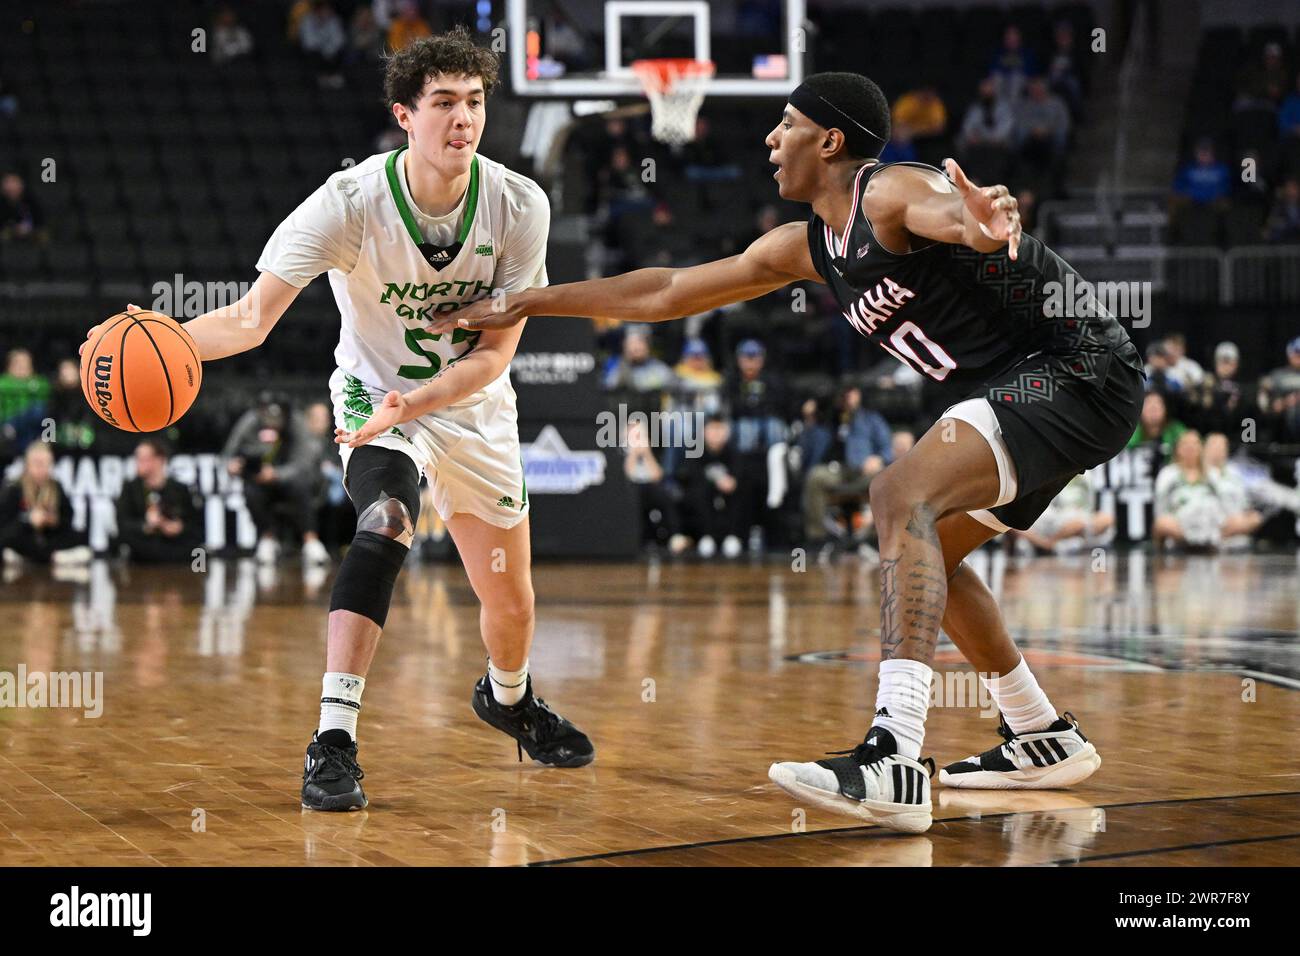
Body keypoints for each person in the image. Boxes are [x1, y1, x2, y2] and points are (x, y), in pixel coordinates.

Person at [440, 71, 1145, 831]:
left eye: (786, 124)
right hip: (1042, 389)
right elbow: (667, 292)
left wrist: (981, 219)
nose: (771, 141)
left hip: (1078, 368)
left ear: (830, 140)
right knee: (930, 547)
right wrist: (526, 300)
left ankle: (894, 755)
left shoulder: (888, 192)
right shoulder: (805, 248)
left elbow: (953, 214)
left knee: (895, 496)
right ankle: (1040, 731)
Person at [82, 28, 593, 813]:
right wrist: (160, 336)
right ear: (404, 115)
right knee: (387, 520)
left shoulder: (520, 204)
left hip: (472, 408)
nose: (464, 119)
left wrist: (424, 400)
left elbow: (494, 358)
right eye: (445, 103)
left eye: (476, 102)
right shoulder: (348, 203)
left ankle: (508, 697)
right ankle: (335, 739)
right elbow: (252, 319)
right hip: (373, 399)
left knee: (511, 603)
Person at [222, 395, 329, 566]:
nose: (272, 421)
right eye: (267, 416)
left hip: (291, 479)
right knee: (249, 490)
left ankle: (311, 542)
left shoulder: (297, 422)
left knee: (301, 484)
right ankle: (268, 539)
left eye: (276, 417)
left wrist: (276, 474)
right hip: (260, 480)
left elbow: (304, 464)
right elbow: (229, 453)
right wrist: (232, 465)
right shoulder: (250, 421)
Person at [115, 439, 204, 563]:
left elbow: (196, 526)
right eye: (137, 458)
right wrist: (145, 526)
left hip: (177, 558)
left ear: (159, 460)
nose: (138, 463)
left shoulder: (180, 489)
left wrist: (179, 528)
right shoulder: (131, 489)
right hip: (141, 560)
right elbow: (122, 525)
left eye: (144, 459)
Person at [0, 443, 90, 565]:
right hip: (25, 539)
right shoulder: (15, 488)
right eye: (38, 464)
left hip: (50, 539)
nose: (43, 469)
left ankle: (48, 556)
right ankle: (48, 557)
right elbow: (5, 528)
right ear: (27, 465)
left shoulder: (55, 486)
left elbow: (68, 518)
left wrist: (54, 520)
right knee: (10, 540)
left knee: (80, 538)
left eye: (47, 464)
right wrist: (28, 520)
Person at [677, 415, 743, 558]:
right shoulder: (695, 451)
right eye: (712, 429)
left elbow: (739, 475)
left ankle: (732, 536)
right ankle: (706, 537)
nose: (716, 434)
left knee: (740, 492)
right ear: (704, 432)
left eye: (720, 429)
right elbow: (691, 476)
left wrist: (732, 481)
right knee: (699, 493)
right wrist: (716, 482)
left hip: (728, 496)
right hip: (703, 497)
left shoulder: (733, 452)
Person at [1259, 337, 1300, 442]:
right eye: (1297, 352)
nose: (1299, 356)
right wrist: (1283, 403)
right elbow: (1264, 405)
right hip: (1281, 428)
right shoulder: (1276, 376)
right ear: (1289, 353)